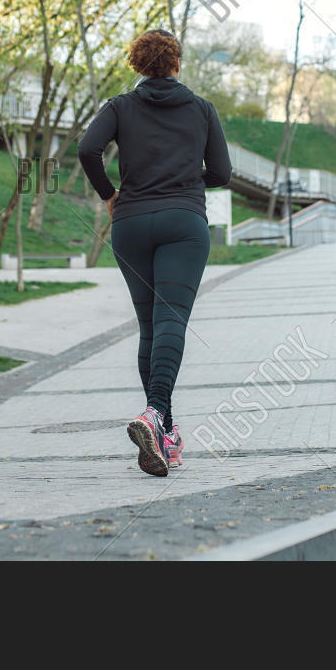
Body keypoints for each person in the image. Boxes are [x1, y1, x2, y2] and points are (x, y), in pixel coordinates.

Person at [77, 29, 232, 476]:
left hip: (130, 224)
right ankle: (155, 416)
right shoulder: (202, 109)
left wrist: (110, 193)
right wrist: (183, 177)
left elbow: (88, 149)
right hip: (183, 223)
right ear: (177, 63)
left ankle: (164, 433)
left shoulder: (120, 106)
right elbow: (221, 172)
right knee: (171, 321)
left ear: (137, 66)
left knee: (150, 326)